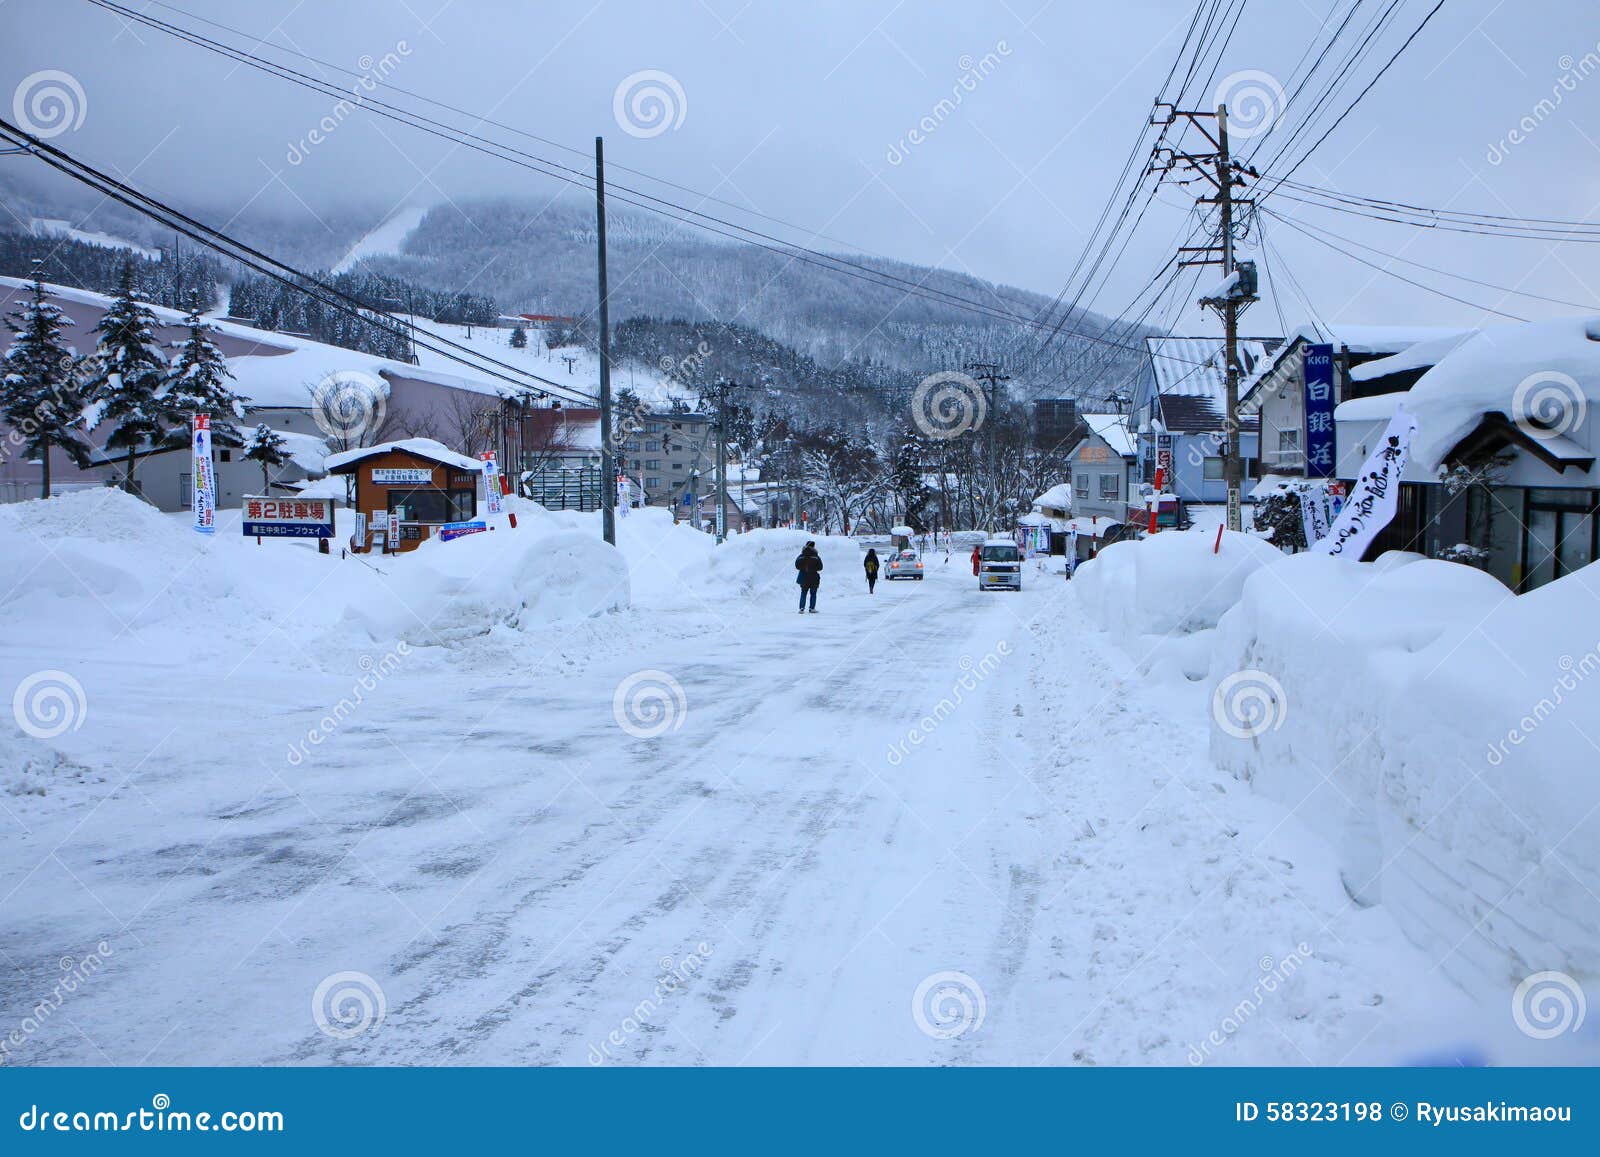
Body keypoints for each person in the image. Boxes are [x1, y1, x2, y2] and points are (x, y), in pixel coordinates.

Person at [795, 540, 823, 613]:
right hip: (814, 578)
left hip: (804, 577)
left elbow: (797, 566)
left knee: (803, 593)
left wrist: (803, 568)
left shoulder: (801, 556)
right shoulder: (816, 557)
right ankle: (812, 608)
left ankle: (801, 608)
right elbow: (820, 567)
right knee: (813, 593)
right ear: (813, 547)